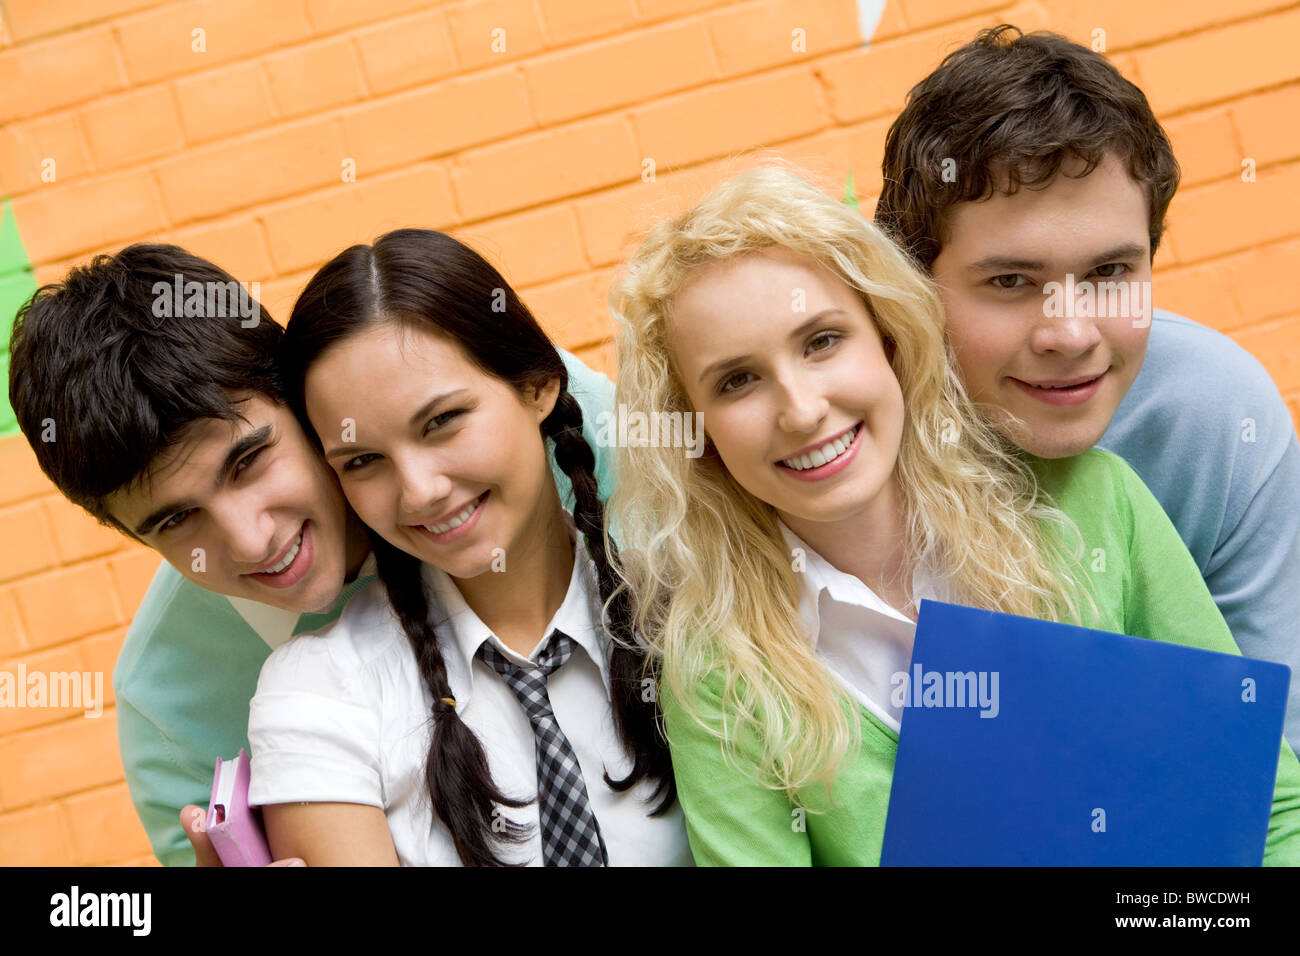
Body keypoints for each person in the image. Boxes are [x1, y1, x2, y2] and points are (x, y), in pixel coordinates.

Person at [606, 164, 1300, 865]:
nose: (802, 409)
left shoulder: (1089, 504)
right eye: (738, 381)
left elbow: (1268, 810)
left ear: (889, 339)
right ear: (697, 432)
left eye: (822, 341)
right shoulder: (722, 674)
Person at [6, 244, 619, 865]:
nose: (251, 539)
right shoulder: (169, 708)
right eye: (176, 519)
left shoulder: (536, 429)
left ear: (300, 399)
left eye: (247, 462)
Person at [874, 24, 1300, 754]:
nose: (1070, 335)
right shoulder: (846, 439)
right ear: (913, 287)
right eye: (1011, 282)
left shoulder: (1216, 417)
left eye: (1109, 275)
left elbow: (1271, 757)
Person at [246, 228, 687, 865]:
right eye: (363, 459)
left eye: (442, 421)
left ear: (537, 384)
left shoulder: (693, 602)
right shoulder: (319, 695)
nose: (420, 492)